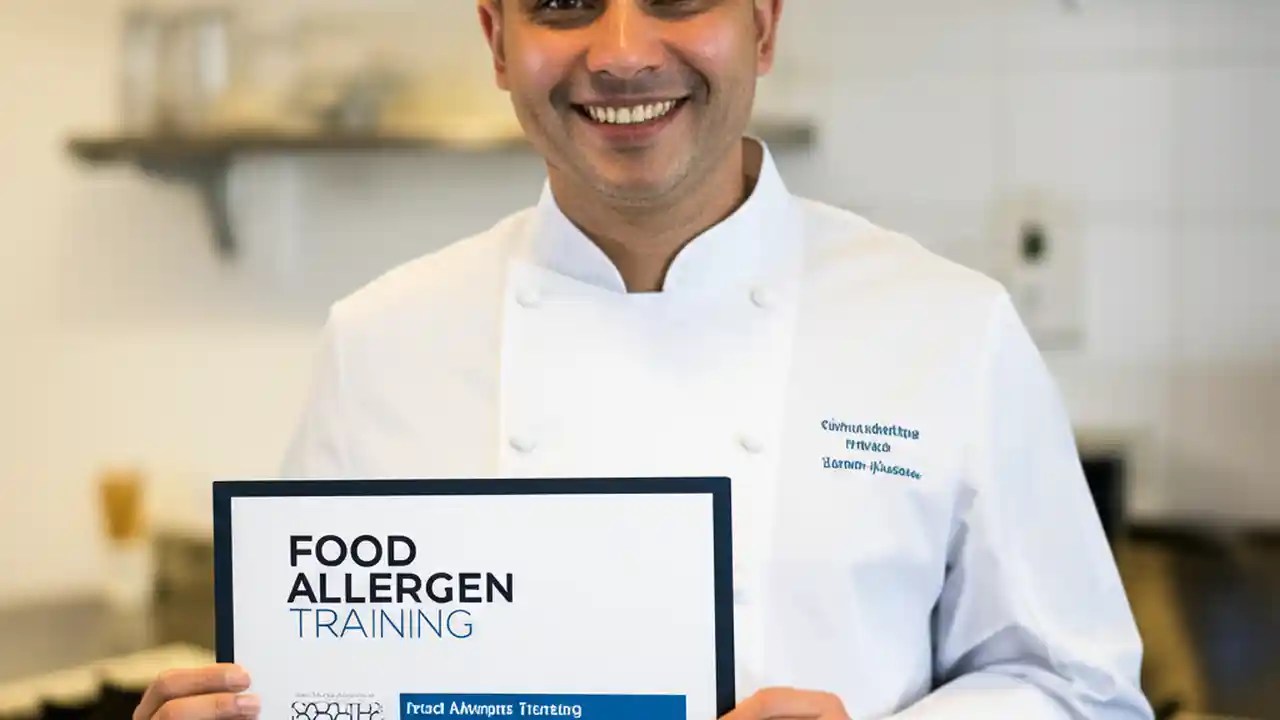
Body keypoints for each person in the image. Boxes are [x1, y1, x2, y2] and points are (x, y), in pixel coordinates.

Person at [133, 1, 1153, 718]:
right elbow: (315, 689)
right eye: (565, 3)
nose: (620, 52)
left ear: (764, 21)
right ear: (495, 38)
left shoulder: (946, 331)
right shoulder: (379, 344)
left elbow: (1081, 692)